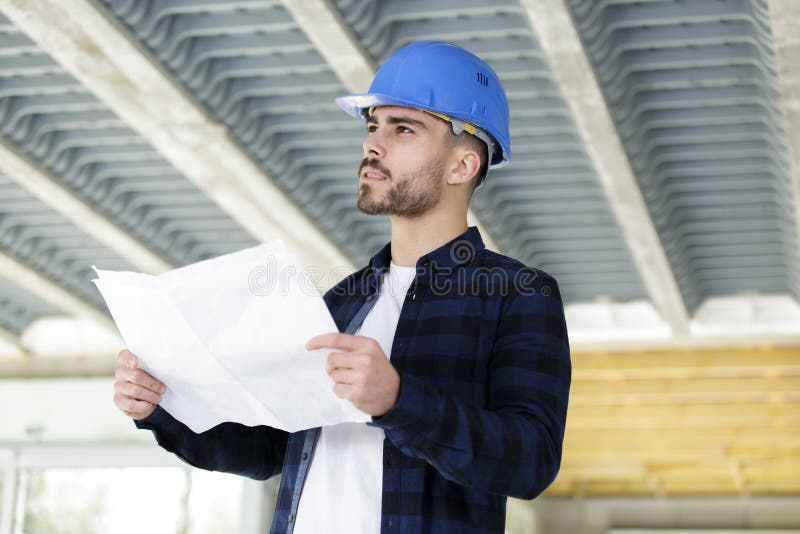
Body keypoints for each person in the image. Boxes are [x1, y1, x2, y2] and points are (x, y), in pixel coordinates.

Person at [114, 40, 571, 534]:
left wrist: (398, 400)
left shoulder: (517, 294)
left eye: (403, 128)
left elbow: (530, 462)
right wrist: (163, 409)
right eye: (373, 126)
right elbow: (272, 449)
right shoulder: (341, 301)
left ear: (463, 165)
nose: (372, 144)